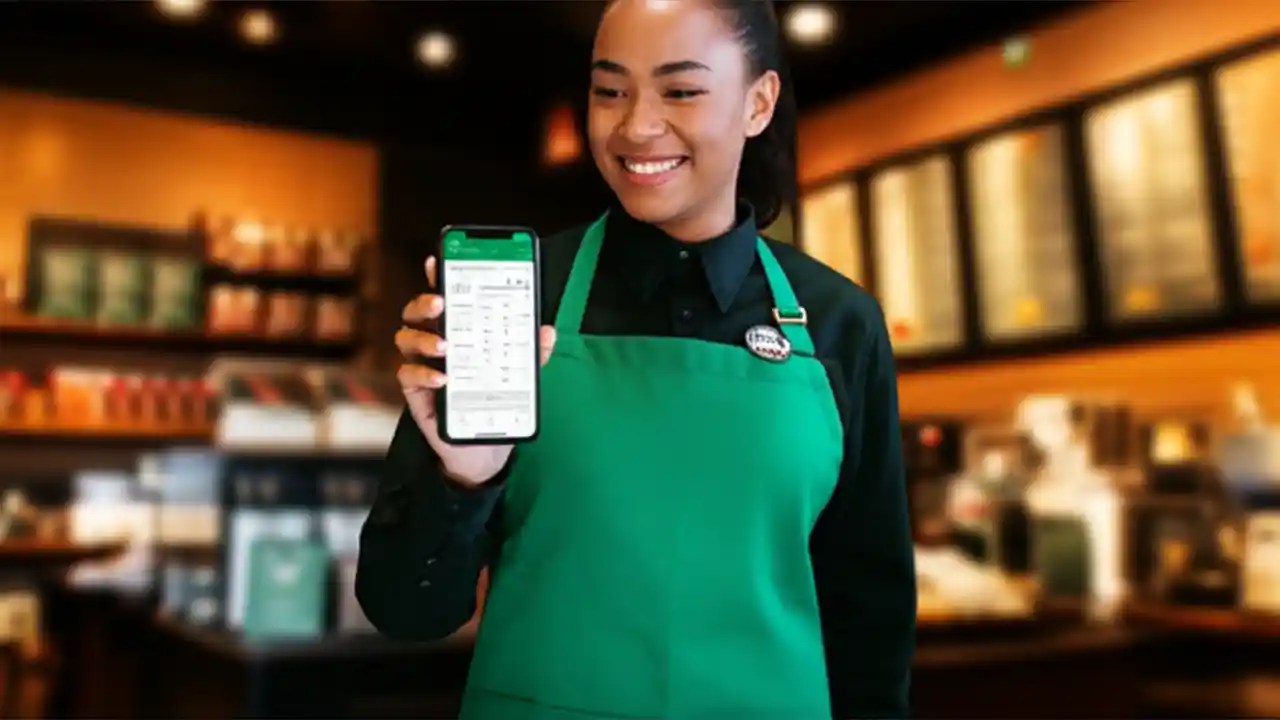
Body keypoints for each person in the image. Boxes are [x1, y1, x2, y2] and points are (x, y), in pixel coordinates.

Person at [356, 0, 916, 717]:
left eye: (680, 90)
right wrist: (461, 478)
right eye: (609, 90)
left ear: (758, 102)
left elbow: (870, 623)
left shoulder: (841, 324)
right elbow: (405, 611)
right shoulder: (524, 297)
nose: (635, 127)